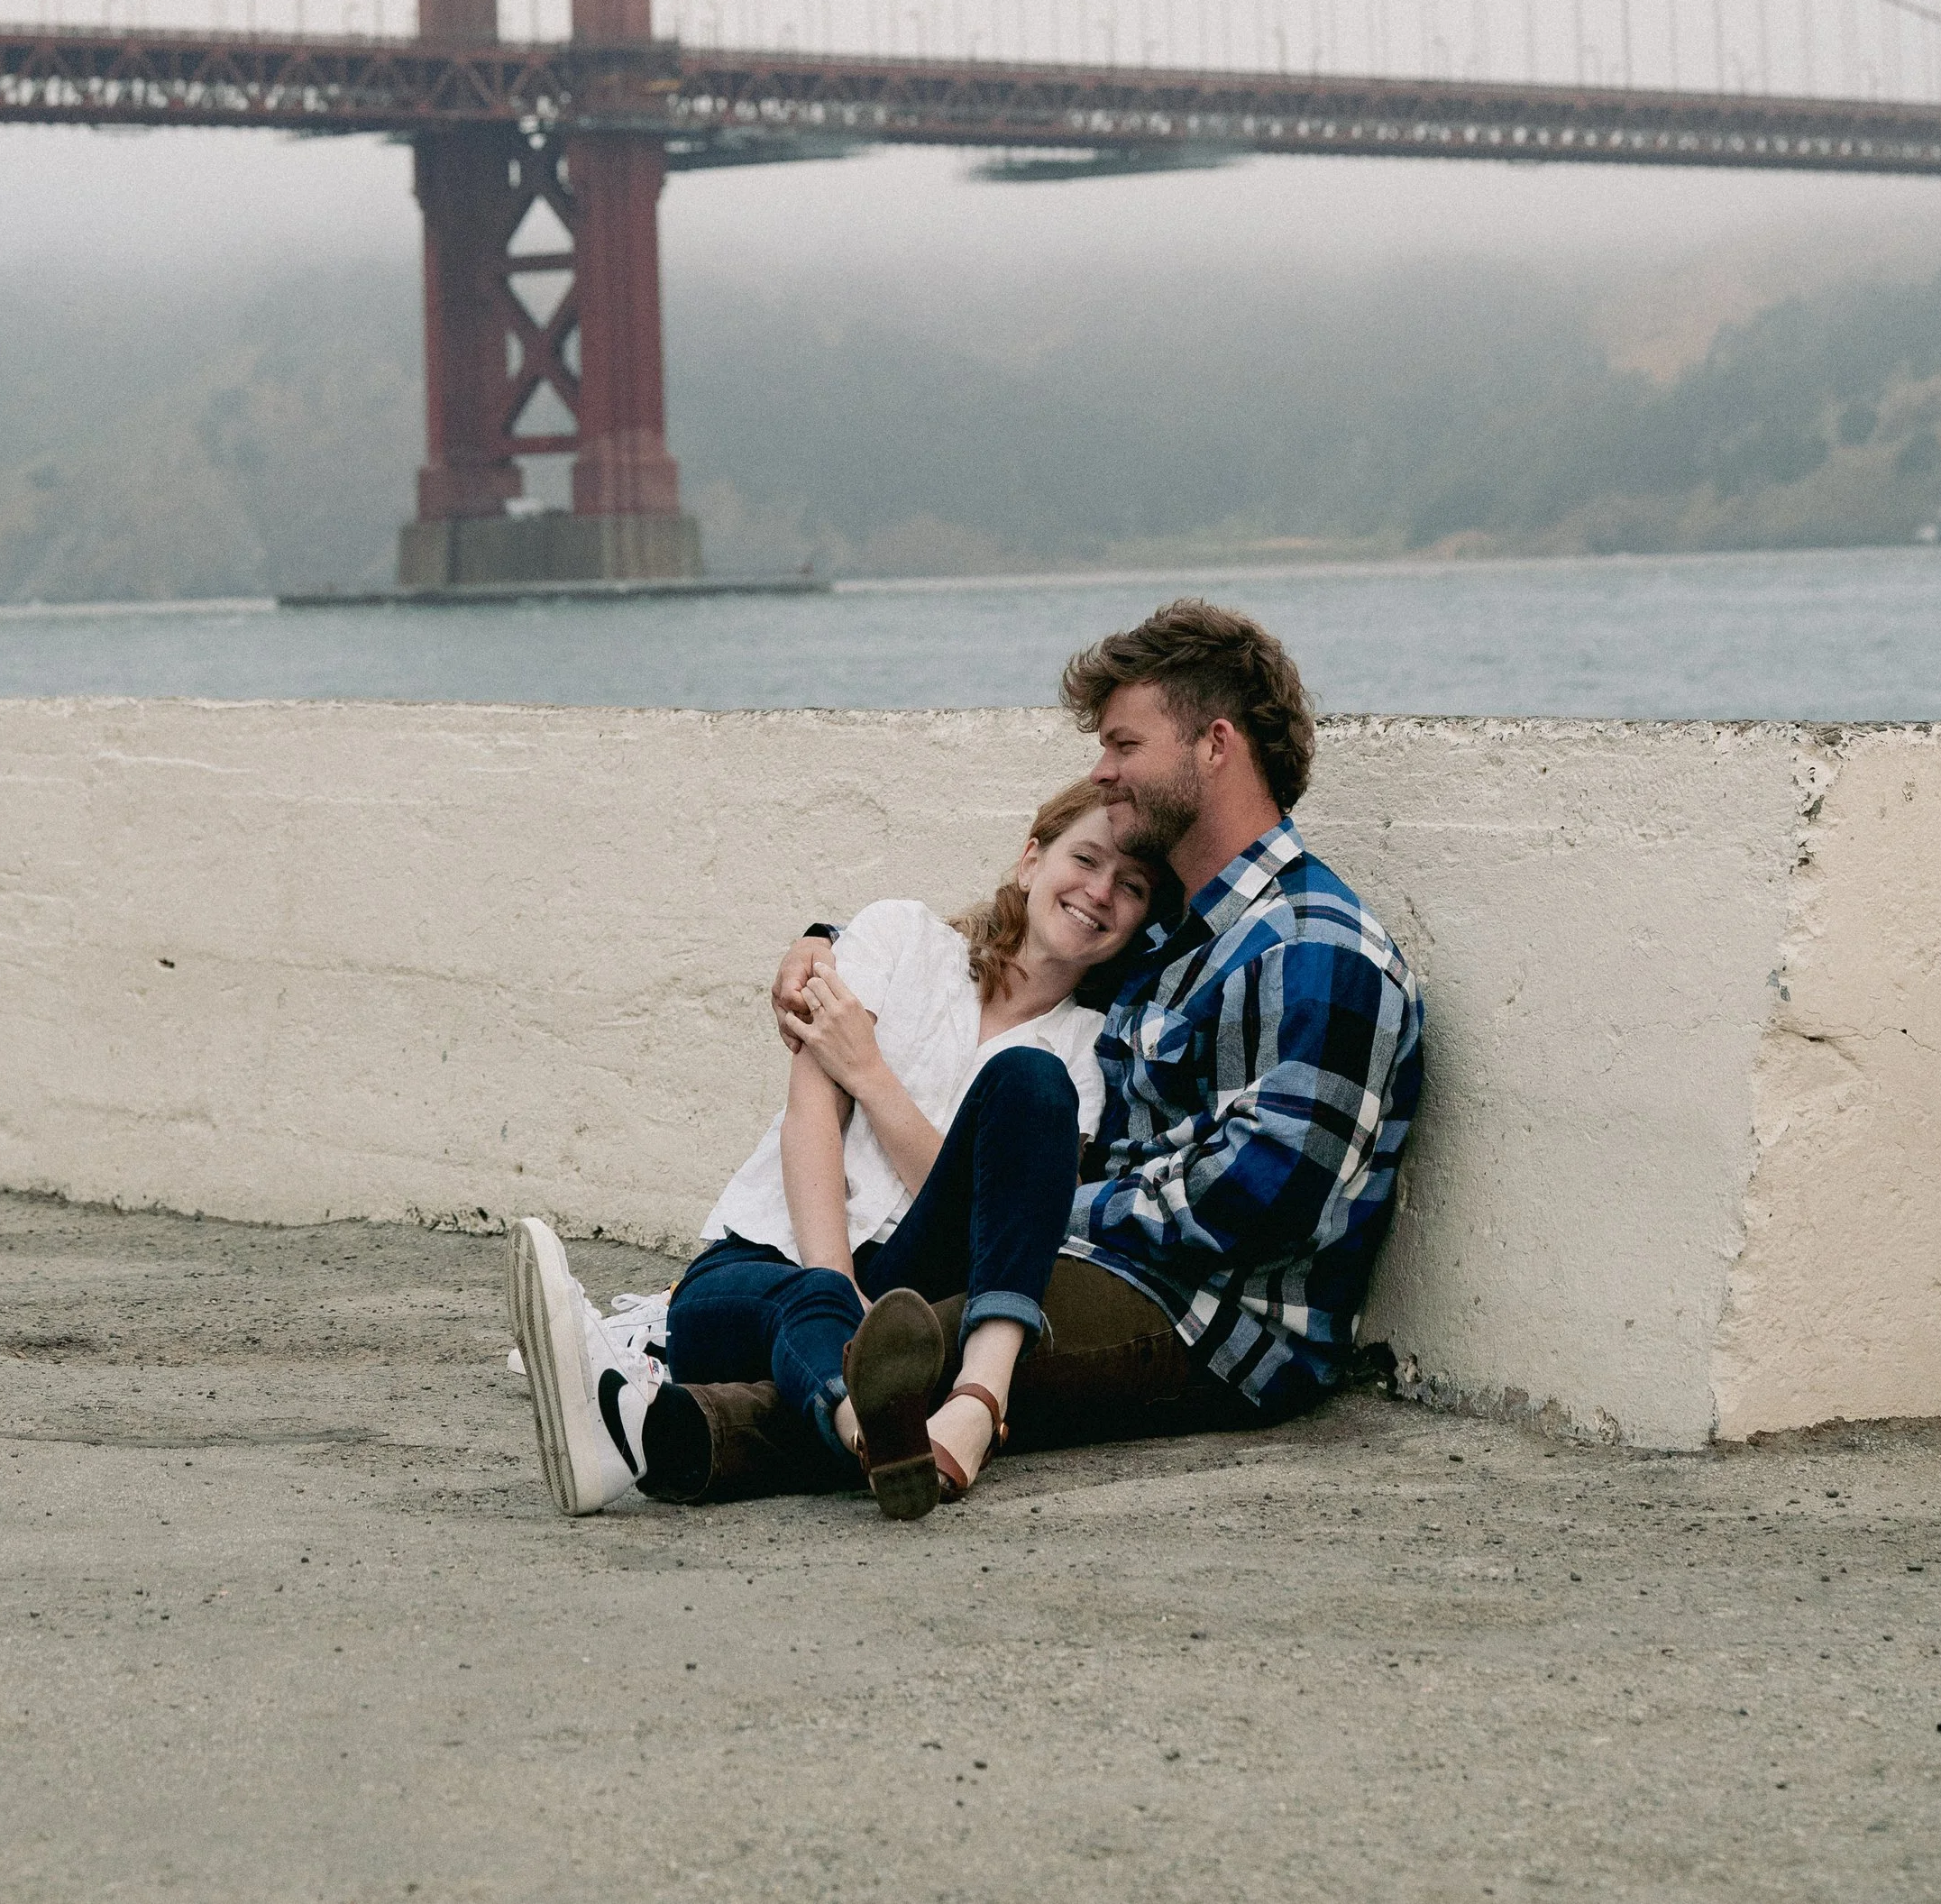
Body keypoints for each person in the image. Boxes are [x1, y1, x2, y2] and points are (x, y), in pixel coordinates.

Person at [755, 598, 1425, 1474]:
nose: (1102, 772)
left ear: (1213, 746)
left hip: (1213, 1326)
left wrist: (1038, 1209)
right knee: (831, 1301)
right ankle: (685, 1427)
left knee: (880, 1342)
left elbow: (1259, 1203)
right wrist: (830, 943)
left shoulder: (1318, 951)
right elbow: (1011, 946)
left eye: (1122, 744)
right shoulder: (1174, 931)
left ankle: (658, 1430)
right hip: (1088, 1262)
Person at [508, 776, 1167, 1524]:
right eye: (1084, 860)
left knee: (1032, 1080)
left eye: (1132, 886)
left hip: (909, 1292)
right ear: (1029, 861)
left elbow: (989, 1213)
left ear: (1142, 919)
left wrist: (870, 1072)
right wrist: (834, 1284)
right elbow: (811, 1112)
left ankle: (815, 1427)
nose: (1099, 891)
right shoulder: (900, 936)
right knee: (807, 1302)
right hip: (759, 1268)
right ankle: (881, 1433)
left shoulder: (1082, 1054)